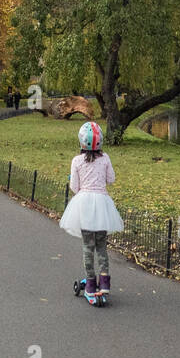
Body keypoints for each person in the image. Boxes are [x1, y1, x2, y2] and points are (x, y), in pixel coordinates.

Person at [59, 120, 123, 305]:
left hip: (85, 205)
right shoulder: (105, 158)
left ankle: (90, 284)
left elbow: (74, 187)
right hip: (102, 206)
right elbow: (111, 179)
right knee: (102, 247)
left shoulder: (77, 161)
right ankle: (104, 283)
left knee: (88, 247)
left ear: (81, 141)